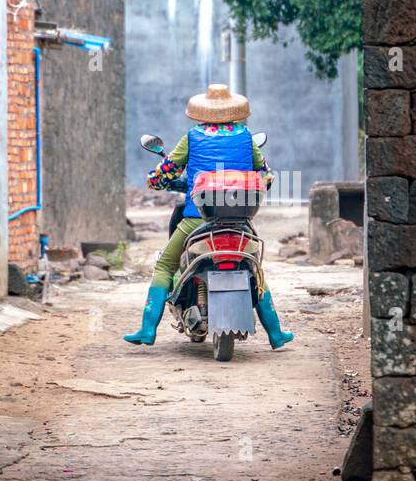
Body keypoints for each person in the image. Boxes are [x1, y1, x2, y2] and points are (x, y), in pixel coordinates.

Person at [125, 84, 294, 349]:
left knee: (165, 266)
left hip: (197, 220)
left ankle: (147, 330)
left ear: (202, 112)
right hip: (240, 222)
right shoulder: (247, 137)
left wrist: (157, 180)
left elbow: (166, 172)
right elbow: (266, 174)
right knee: (254, 269)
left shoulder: (192, 137)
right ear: (233, 111)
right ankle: (276, 334)